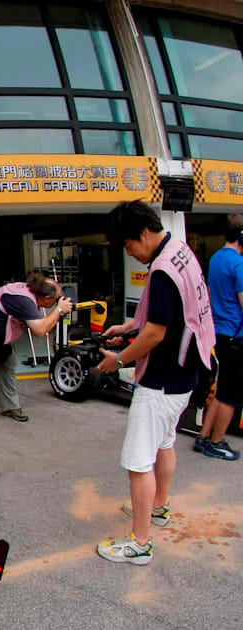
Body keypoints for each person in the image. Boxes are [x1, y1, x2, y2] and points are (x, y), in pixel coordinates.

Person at [95, 201, 215, 566]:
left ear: (144, 234)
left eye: (129, 246)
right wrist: (128, 328)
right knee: (164, 443)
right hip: (186, 375)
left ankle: (140, 542)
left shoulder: (161, 270)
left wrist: (119, 360)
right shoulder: (178, 249)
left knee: (138, 461)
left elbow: (156, 335)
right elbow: (165, 313)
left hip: (161, 381)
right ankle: (159, 506)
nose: (130, 253)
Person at [0, 273, 71, 434]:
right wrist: (59, 310)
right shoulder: (24, 300)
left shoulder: (31, 295)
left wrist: (57, 310)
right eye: (57, 299)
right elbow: (39, 330)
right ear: (47, 298)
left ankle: (10, 407)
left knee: (7, 362)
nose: (59, 301)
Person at [198, 214, 243, 461]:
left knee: (223, 387)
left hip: (221, 333)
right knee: (231, 395)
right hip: (237, 336)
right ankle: (215, 442)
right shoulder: (239, 264)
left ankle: (204, 436)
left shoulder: (216, 259)